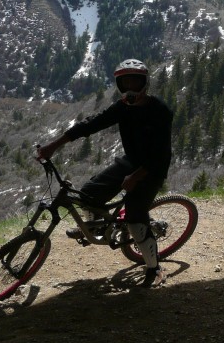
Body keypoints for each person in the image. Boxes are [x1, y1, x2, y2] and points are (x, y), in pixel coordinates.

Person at [36, 58, 173, 288]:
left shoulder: (160, 111)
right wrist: (53, 145)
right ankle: (98, 227)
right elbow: (90, 125)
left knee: (136, 222)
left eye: (135, 83)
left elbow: (161, 156)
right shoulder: (122, 108)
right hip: (131, 162)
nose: (130, 89)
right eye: (124, 83)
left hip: (152, 169)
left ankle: (154, 267)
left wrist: (136, 177)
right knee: (88, 194)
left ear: (145, 84)